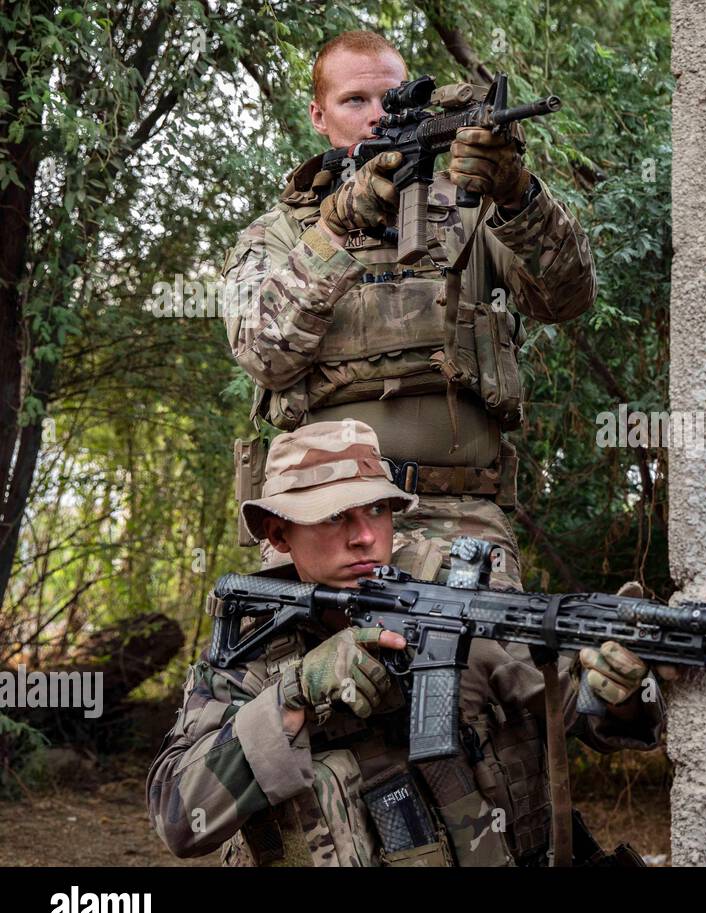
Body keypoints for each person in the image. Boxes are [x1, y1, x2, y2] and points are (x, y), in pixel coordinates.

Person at [146, 420, 663, 866]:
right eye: (334, 516)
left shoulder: (460, 598)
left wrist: (621, 691)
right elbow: (178, 815)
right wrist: (296, 695)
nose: (365, 536)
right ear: (279, 535)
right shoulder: (252, 654)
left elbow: (585, 711)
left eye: (376, 511)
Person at [221, 29, 596, 584]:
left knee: (485, 669)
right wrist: (335, 230)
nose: (376, 116)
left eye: (390, 99)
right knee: (314, 671)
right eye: (355, 100)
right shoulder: (277, 235)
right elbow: (265, 355)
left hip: (459, 521)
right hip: (319, 521)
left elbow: (567, 298)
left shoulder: (471, 208)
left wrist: (517, 193)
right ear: (318, 115)